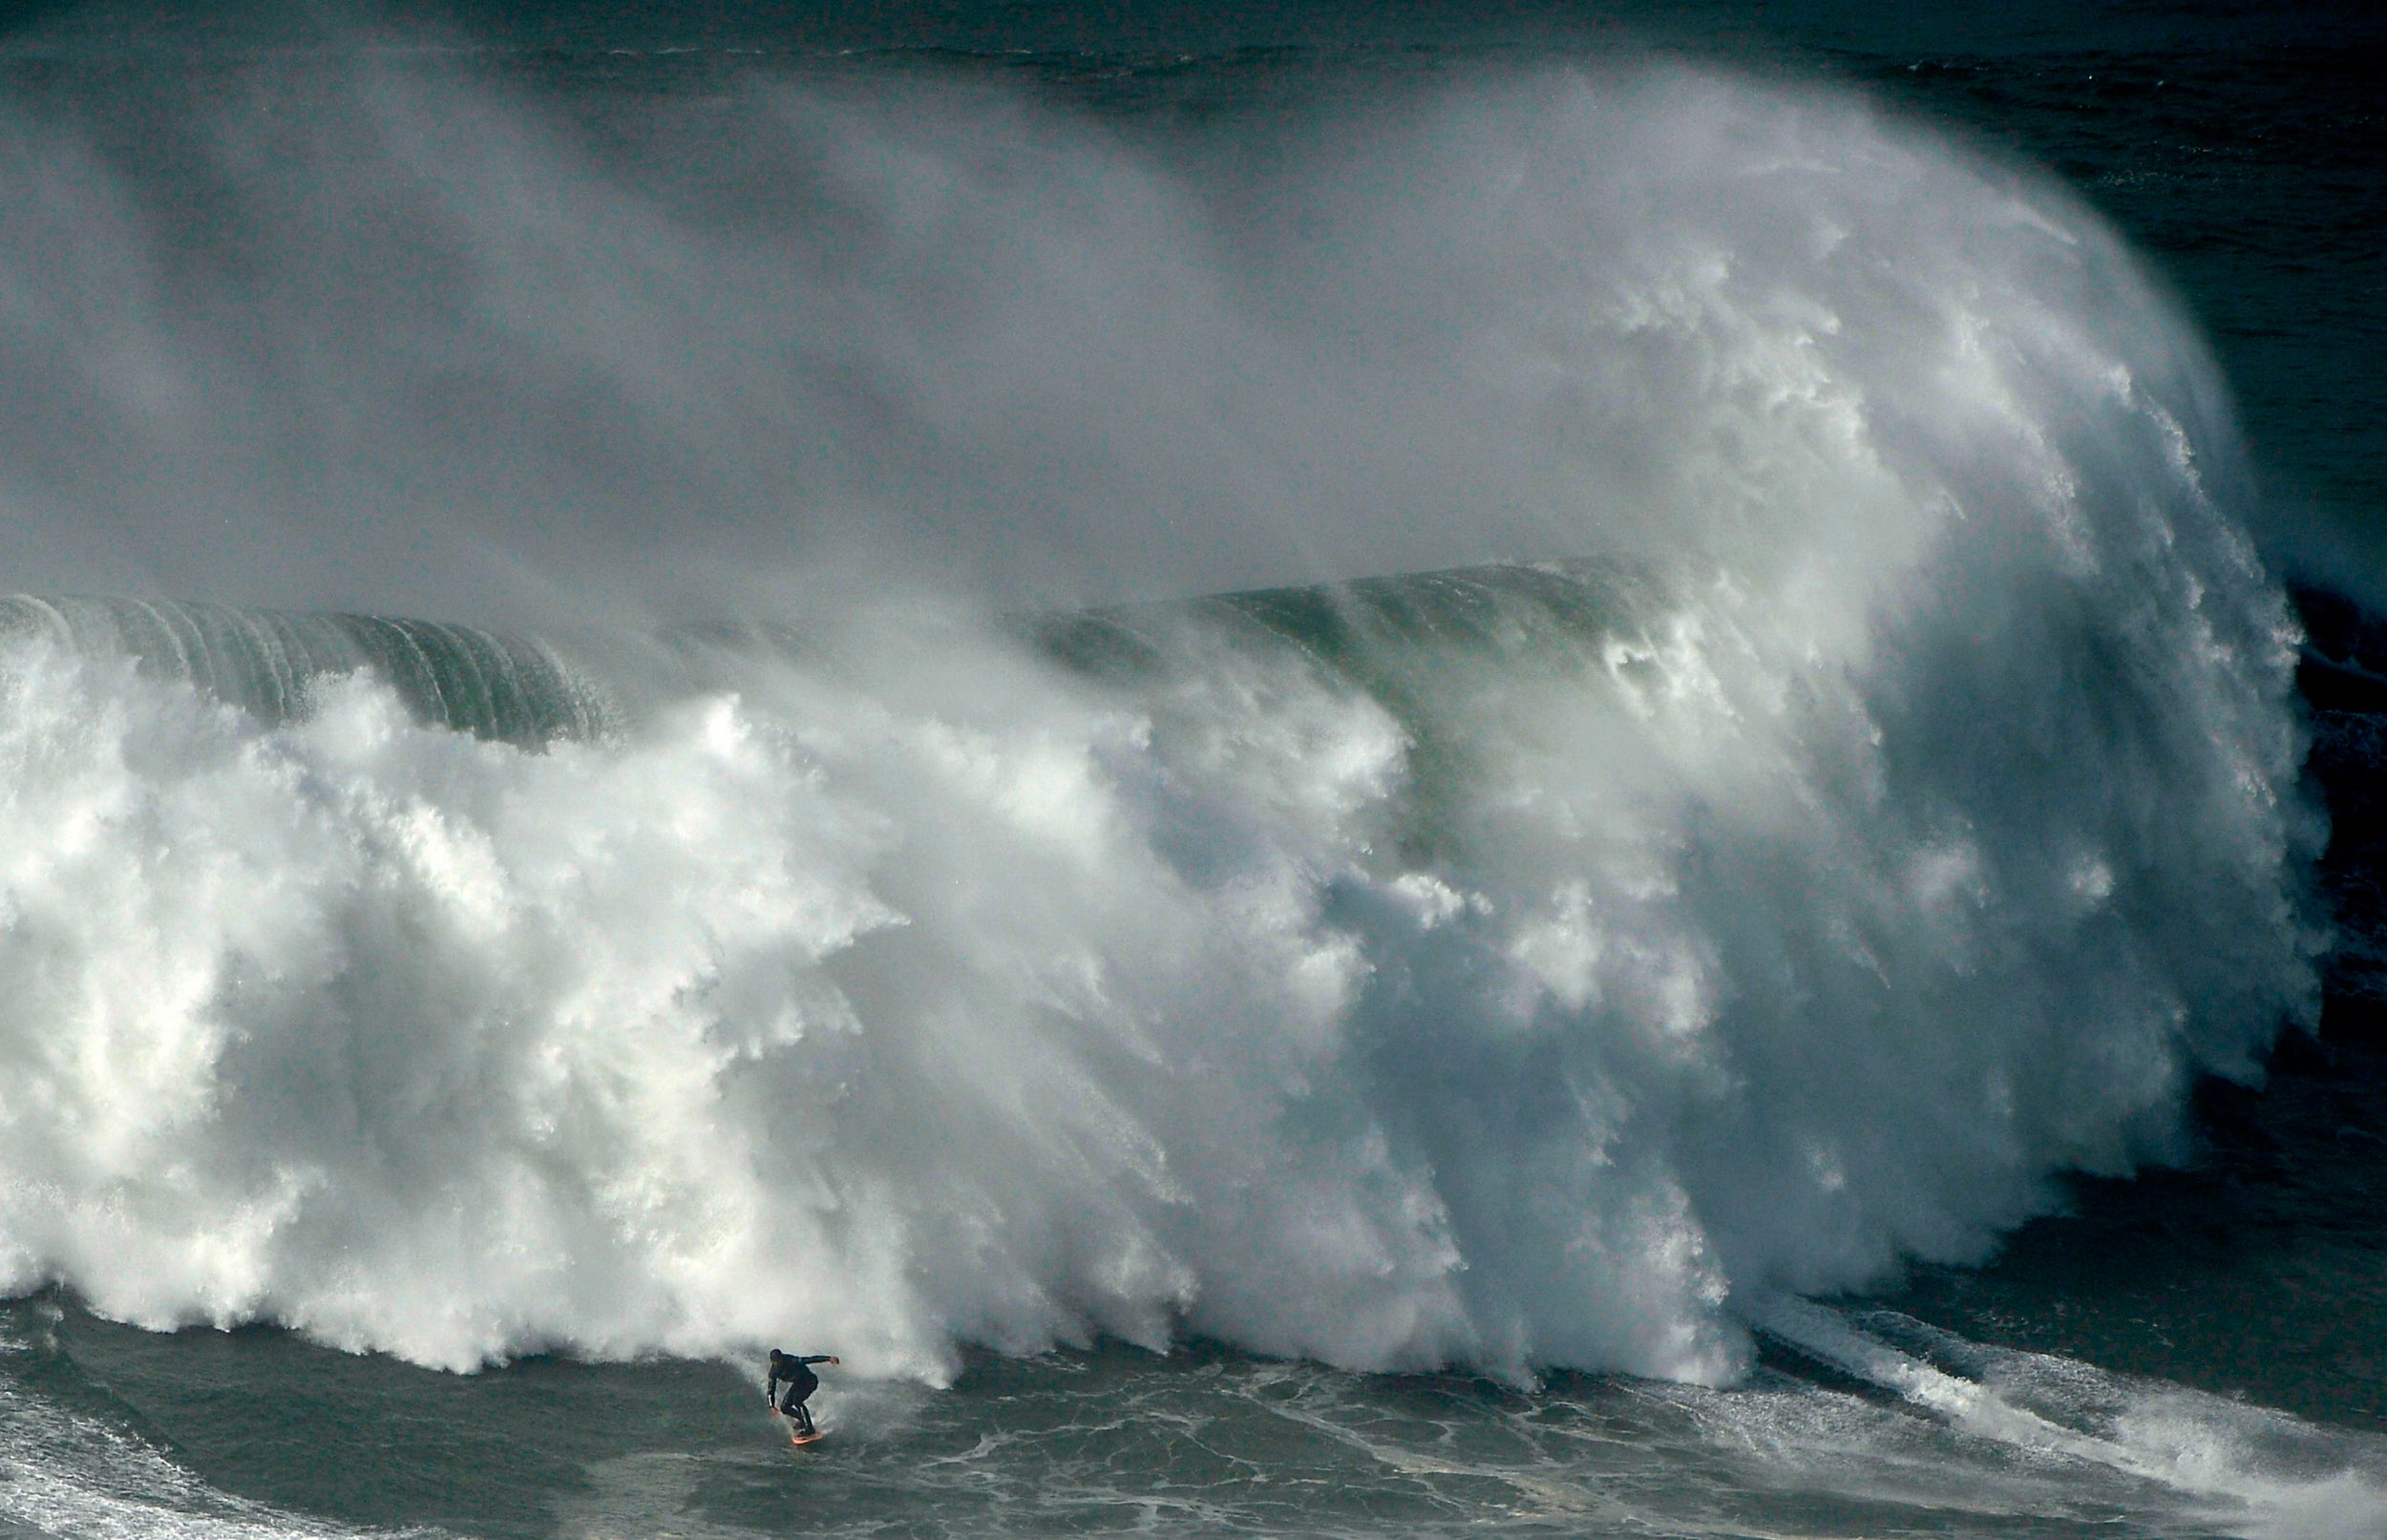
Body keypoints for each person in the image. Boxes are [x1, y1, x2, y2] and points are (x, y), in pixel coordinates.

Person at [765, 1349, 839, 1439]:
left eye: (779, 1360)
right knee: (784, 1407)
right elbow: (771, 1389)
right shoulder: (773, 1372)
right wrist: (772, 1406)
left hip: (810, 1381)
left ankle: (810, 1428)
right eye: (775, 1362)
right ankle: (803, 1421)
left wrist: (828, 1358)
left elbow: (809, 1359)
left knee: (797, 1401)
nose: (777, 1363)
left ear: (781, 1358)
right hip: (798, 1383)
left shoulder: (791, 1360)